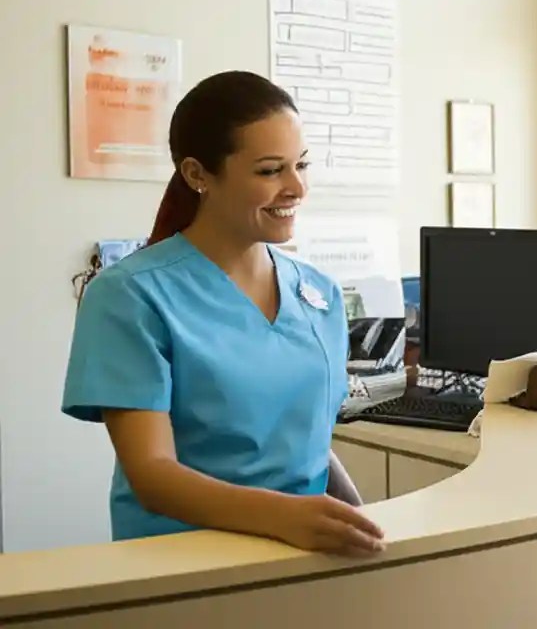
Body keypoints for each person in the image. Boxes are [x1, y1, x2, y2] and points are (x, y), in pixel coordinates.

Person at [62, 70, 384, 556]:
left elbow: (308, 447)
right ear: (197, 175)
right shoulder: (129, 295)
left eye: (302, 164)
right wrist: (285, 517)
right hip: (186, 570)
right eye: (270, 171)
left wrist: (359, 520)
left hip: (304, 559)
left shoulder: (318, 293)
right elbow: (152, 475)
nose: (296, 187)